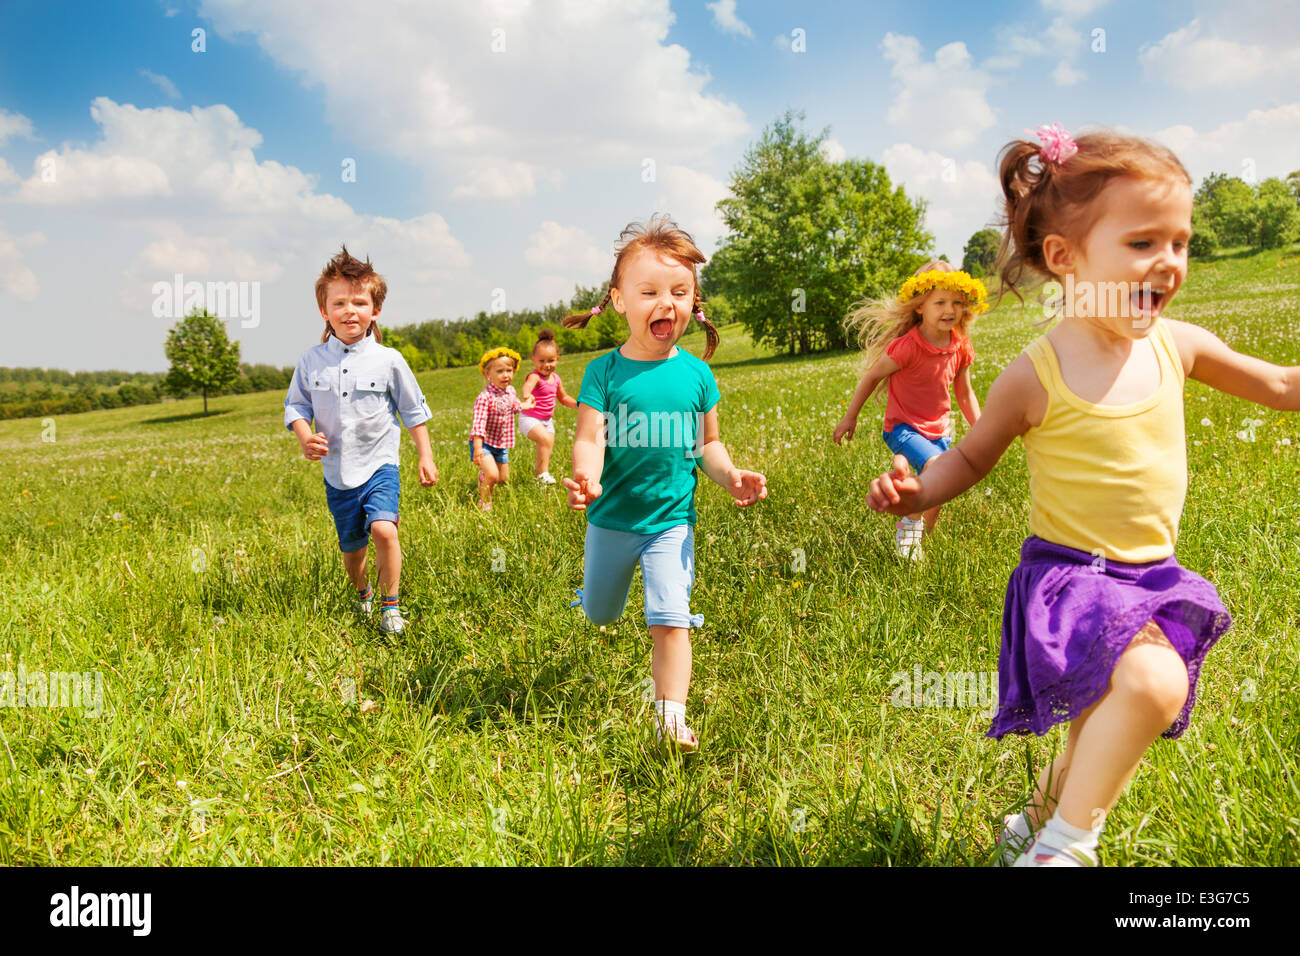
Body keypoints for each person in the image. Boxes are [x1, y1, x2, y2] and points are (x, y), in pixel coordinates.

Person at [868, 124, 1300, 866]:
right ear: (1066, 258)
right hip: (1073, 576)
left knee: (1099, 720)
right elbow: (969, 457)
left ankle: (1030, 825)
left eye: (1181, 243)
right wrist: (916, 494)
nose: (1168, 263)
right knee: (1153, 680)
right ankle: (1065, 847)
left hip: (1153, 575)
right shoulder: (1036, 375)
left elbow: (1283, 385)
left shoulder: (1179, 344)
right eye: (1142, 243)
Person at [562, 215, 768, 753]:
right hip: (611, 519)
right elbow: (588, 437)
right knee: (601, 613)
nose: (666, 302)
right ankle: (591, 596)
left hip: (671, 522)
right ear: (619, 300)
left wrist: (731, 476)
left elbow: (708, 447)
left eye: (679, 291)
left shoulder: (698, 375)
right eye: (649, 291)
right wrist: (586, 475)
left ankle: (669, 716)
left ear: (694, 301)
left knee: (670, 616)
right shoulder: (604, 373)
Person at [285, 246, 438, 635]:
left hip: (380, 464)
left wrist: (425, 456)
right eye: (339, 302)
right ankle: (364, 593)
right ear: (324, 311)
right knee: (352, 551)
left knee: (385, 529)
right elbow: (296, 407)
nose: (349, 310)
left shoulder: (389, 360)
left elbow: (414, 411)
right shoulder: (311, 360)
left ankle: (391, 606)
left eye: (359, 301)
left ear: (375, 310)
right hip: (337, 473)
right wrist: (305, 436)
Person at [833, 260, 985, 559]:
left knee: (939, 484)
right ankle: (910, 531)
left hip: (940, 429)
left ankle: (920, 539)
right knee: (936, 468)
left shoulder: (961, 346)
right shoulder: (907, 347)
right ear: (919, 307)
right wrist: (850, 417)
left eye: (956, 302)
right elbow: (873, 376)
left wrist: (982, 428)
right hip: (902, 428)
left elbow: (964, 393)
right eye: (939, 302)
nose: (949, 310)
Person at [470, 346, 535, 511]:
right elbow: (478, 424)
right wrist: (477, 447)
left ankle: (484, 477)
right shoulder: (485, 397)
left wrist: (526, 405)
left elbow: (513, 407)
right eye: (500, 371)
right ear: (487, 373)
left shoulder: (511, 391)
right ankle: (485, 502)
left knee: (502, 478)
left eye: (509, 370)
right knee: (492, 475)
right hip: (483, 443)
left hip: (501, 443)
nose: (506, 375)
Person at [518, 328, 578, 484]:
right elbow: (527, 386)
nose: (546, 365)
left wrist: (579, 405)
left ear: (557, 359)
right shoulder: (534, 376)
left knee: (546, 450)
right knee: (545, 440)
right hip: (529, 418)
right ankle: (543, 475)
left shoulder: (556, 379)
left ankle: (539, 477)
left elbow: (564, 398)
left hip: (547, 421)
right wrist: (527, 395)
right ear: (533, 359)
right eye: (541, 361)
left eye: (550, 361)